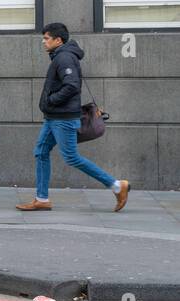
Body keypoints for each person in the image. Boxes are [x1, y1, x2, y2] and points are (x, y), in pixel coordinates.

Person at [16, 22, 129, 212]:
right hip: (54, 117)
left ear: (58, 40)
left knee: (71, 157)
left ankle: (117, 186)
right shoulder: (59, 56)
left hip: (63, 117)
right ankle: (42, 199)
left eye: (46, 38)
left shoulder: (65, 58)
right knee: (41, 152)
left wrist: (51, 100)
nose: (43, 42)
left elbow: (72, 86)